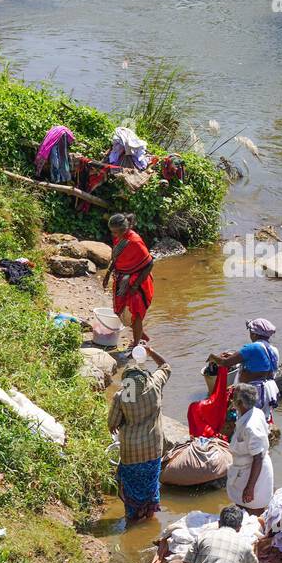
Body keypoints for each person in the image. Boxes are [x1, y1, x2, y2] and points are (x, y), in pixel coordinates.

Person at [107, 343, 170, 523]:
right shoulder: (155, 385)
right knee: (150, 486)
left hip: (130, 454)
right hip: (152, 450)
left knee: (131, 486)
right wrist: (150, 351)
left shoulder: (122, 396)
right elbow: (166, 366)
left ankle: (133, 519)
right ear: (144, 377)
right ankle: (149, 519)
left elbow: (112, 424)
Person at [207, 317, 280, 421]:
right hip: (269, 391)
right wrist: (234, 355)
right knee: (263, 421)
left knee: (247, 421)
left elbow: (225, 363)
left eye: (250, 331)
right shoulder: (273, 350)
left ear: (254, 334)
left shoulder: (251, 348)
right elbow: (260, 362)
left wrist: (213, 357)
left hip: (252, 393)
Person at [101, 213, 155, 348]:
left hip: (138, 280)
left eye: (115, 232)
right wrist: (107, 274)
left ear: (123, 229)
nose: (113, 235)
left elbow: (149, 263)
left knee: (134, 313)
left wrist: (135, 286)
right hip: (122, 278)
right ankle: (142, 335)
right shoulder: (119, 238)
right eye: (112, 232)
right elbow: (116, 257)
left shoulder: (135, 241)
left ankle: (136, 344)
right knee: (120, 311)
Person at [225, 382, 273, 514]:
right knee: (242, 510)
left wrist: (250, 487)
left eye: (234, 396)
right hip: (245, 471)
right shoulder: (253, 412)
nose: (231, 398)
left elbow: (257, 458)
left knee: (253, 512)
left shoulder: (251, 426)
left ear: (240, 402)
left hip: (254, 474)